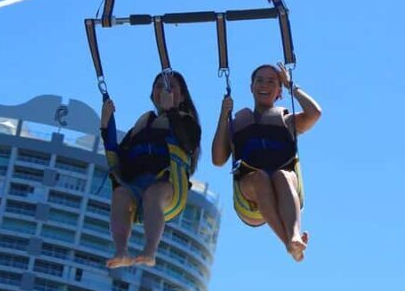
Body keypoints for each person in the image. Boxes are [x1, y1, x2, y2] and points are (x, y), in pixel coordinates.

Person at [211, 63, 321, 262]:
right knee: (260, 177)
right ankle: (289, 241)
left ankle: (294, 236)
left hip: (285, 188)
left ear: (279, 91)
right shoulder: (237, 124)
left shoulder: (287, 121)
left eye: (271, 81)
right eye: (259, 80)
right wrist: (223, 115)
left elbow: (315, 113)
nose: (264, 85)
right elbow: (218, 160)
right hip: (250, 197)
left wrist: (292, 86)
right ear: (251, 87)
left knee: (282, 175)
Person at [100, 71, 201, 268]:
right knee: (120, 195)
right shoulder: (142, 124)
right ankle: (121, 250)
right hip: (136, 184)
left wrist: (172, 112)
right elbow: (117, 154)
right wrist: (105, 126)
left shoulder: (186, 122)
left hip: (168, 183)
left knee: (153, 195)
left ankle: (150, 250)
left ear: (181, 96)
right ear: (152, 94)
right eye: (159, 86)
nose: (164, 90)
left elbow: (189, 143)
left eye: (170, 87)